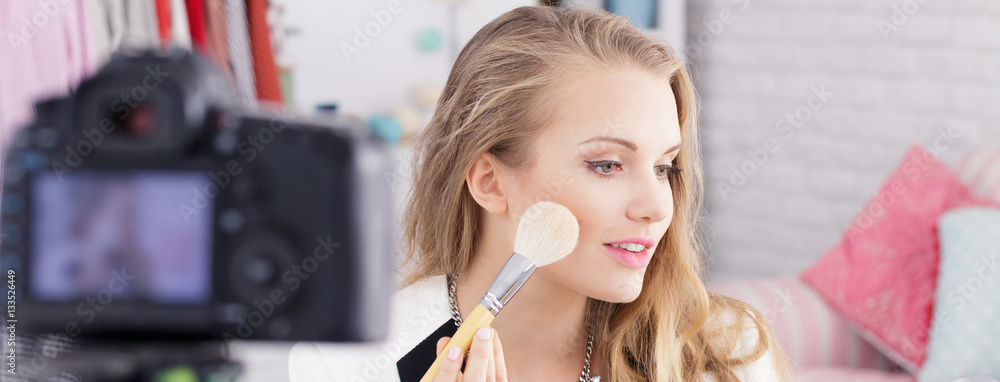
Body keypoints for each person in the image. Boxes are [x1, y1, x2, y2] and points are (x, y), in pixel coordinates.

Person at [290, 5, 794, 381]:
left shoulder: (726, 354)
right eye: (606, 165)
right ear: (489, 182)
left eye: (665, 167)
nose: (658, 206)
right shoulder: (345, 363)